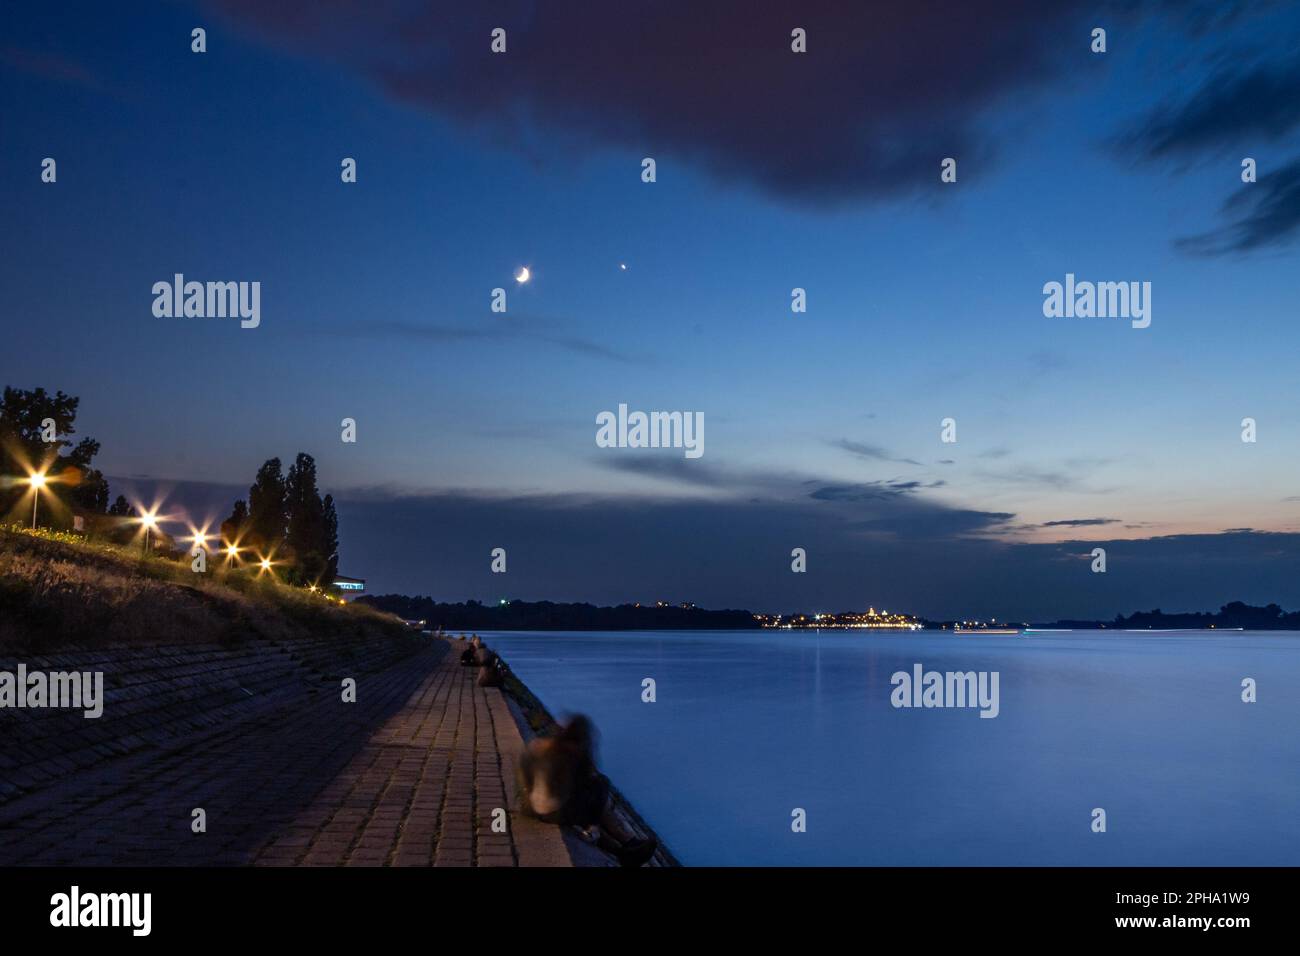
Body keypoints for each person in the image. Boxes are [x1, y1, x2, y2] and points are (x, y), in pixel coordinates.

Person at [517, 715, 658, 867]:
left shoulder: (536, 745)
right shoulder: (564, 755)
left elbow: (525, 781)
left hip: (530, 807)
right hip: (553, 811)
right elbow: (577, 785)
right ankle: (627, 842)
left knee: (593, 801)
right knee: (600, 787)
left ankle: (623, 849)